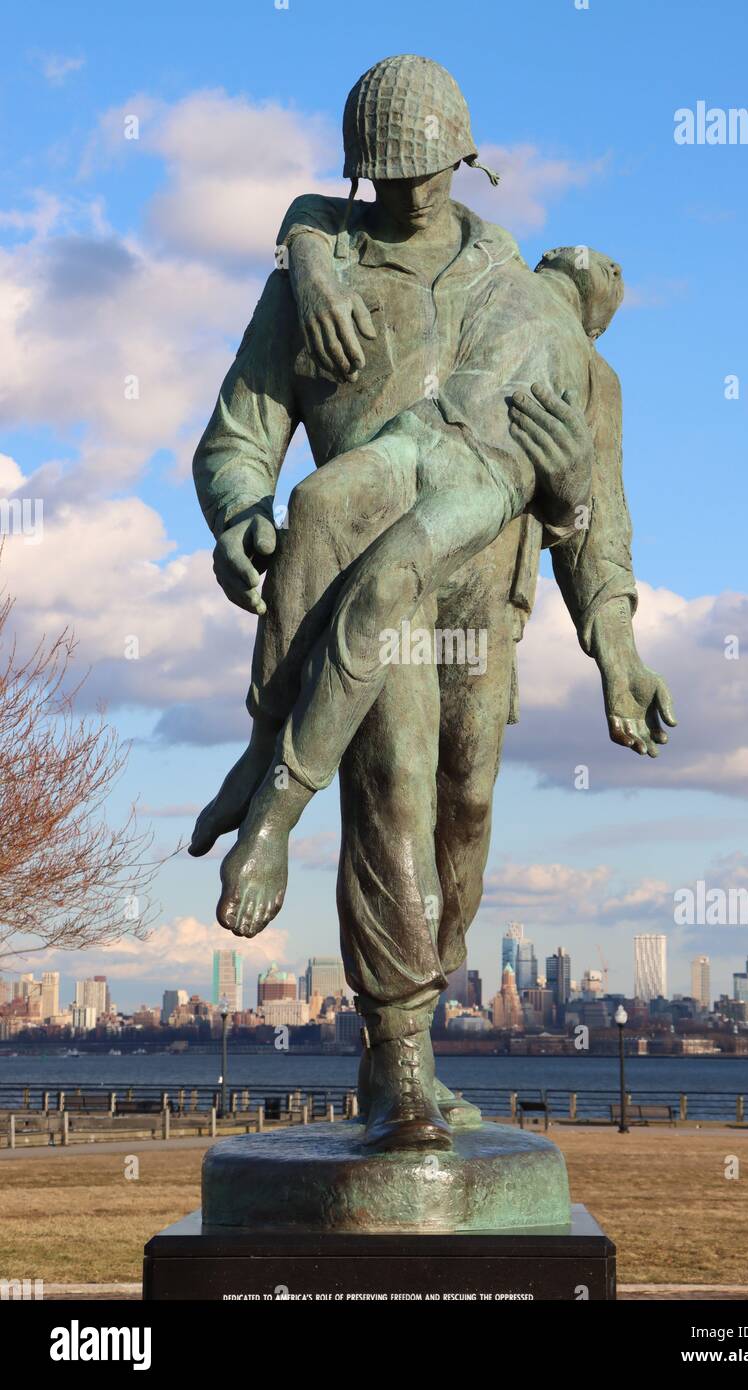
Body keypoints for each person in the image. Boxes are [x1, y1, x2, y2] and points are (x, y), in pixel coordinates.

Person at [191, 55, 675, 1152]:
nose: (409, 194)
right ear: (359, 175)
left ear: (464, 162)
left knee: (463, 802)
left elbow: (599, 520)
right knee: (395, 785)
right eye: (385, 178)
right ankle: (397, 1055)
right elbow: (234, 441)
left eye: (426, 174)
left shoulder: (527, 303)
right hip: (363, 570)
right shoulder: (308, 284)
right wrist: (237, 517)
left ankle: (418, 1014)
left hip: (481, 606)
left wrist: (615, 646)